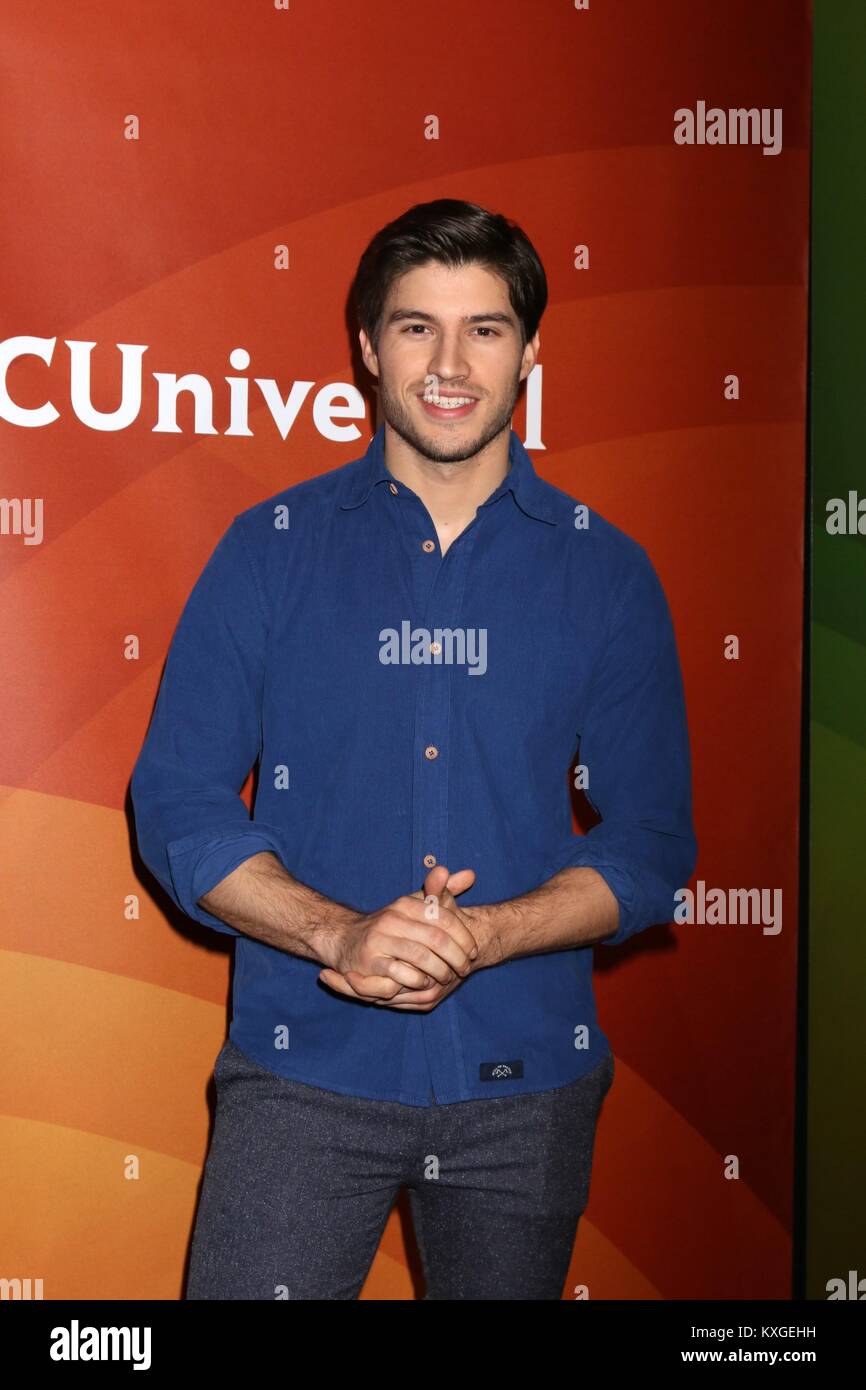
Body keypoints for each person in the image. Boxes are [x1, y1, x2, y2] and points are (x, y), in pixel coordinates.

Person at [130, 197, 697, 1301]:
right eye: (414, 326)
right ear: (365, 347)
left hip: (524, 1084)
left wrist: (484, 935)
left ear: (530, 350)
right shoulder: (269, 552)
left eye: (483, 327)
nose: (448, 362)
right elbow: (178, 801)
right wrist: (336, 929)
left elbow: (651, 841)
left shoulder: (608, 574)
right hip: (302, 1069)